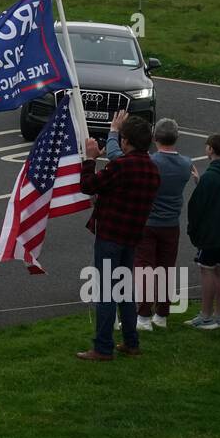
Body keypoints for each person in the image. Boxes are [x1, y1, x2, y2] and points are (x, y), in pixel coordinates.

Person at [76, 116, 160, 361]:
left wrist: (90, 159)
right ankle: (131, 341)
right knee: (125, 290)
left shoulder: (121, 165)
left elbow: (88, 185)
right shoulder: (152, 168)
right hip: (132, 235)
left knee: (105, 292)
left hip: (110, 234)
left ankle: (103, 347)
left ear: (125, 142)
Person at [105, 112, 191, 331]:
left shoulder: (152, 162)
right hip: (171, 223)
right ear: (177, 137)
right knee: (166, 268)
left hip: (147, 221)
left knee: (144, 269)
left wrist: (114, 132)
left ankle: (143, 316)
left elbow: (116, 156)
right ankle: (161, 315)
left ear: (155, 138)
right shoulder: (185, 164)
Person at [184, 134, 220, 329]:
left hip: (211, 232)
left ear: (210, 149)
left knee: (206, 269)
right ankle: (218, 315)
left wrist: (193, 229)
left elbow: (197, 206)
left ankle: (206, 315)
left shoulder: (210, 176)